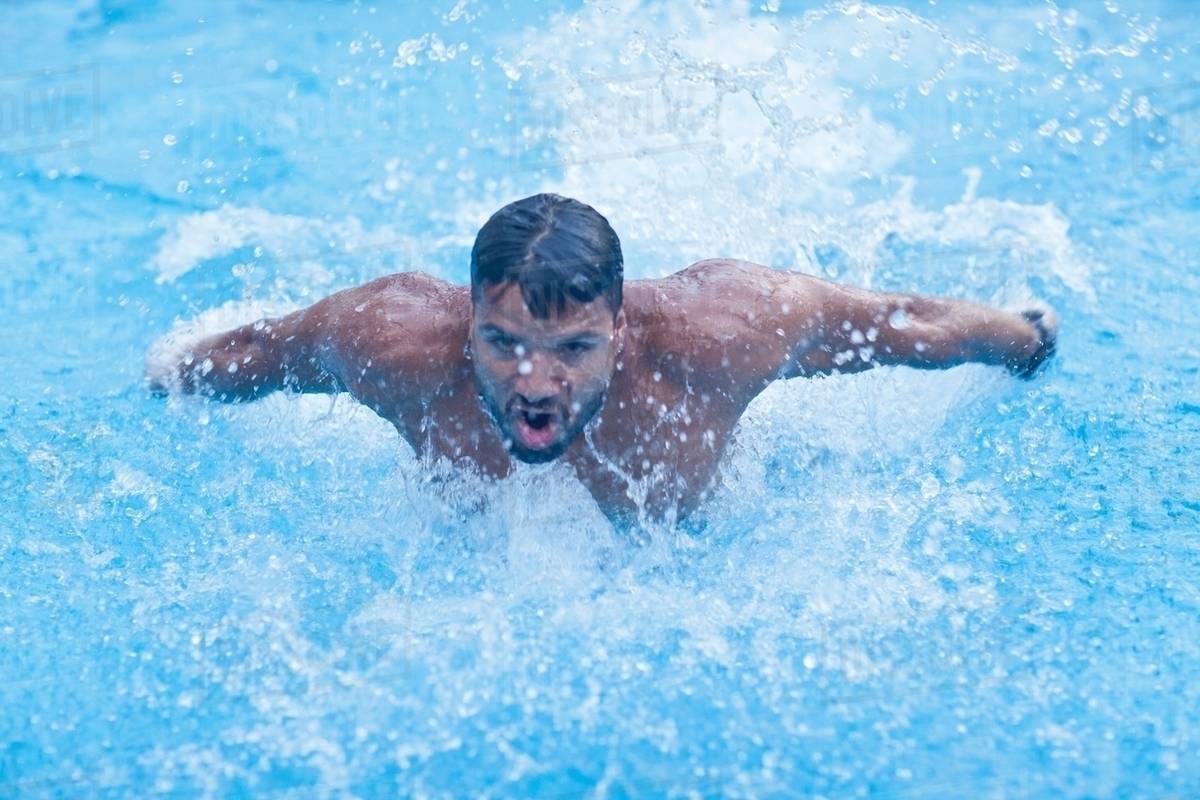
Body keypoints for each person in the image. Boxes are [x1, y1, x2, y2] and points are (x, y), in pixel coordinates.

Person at [147, 193, 1057, 525]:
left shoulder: (722, 335)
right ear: (465, 323)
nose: (534, 383)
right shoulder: (389, 342)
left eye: (573, 348)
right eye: (502, 344)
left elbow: (904, 324)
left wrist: (1025, 340)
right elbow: (263, 353)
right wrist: (169, 374)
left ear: (621, 330)